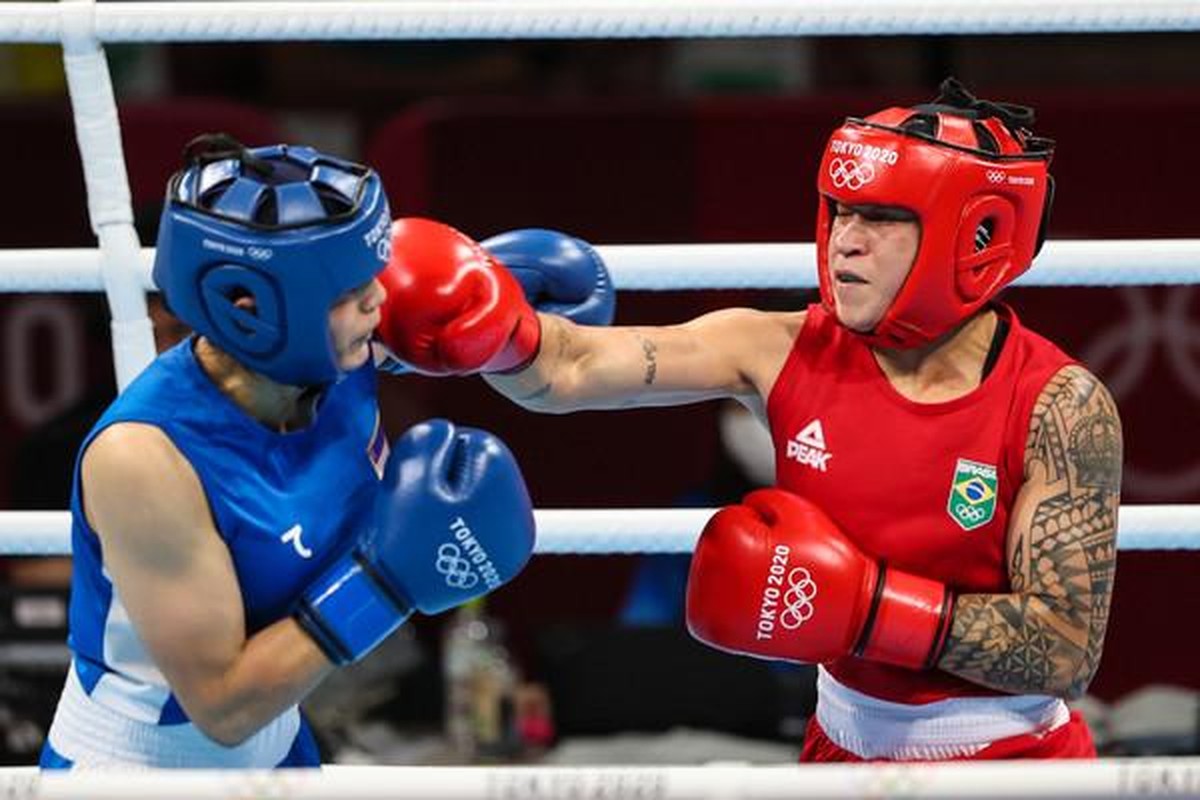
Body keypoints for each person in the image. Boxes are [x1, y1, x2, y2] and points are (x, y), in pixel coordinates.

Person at [375, 79, 1122, 761]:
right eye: (840, 210)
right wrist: (499, 331)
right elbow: (570, 369)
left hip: (1017, 762)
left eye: (881, 218)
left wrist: (867, 609)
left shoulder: (1058, 405)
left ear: (978, 237)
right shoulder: (779, 346)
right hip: (840, 749)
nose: (845, 239)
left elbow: (1066, 652)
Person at [38, 134, 538, 769]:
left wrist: (529, 324)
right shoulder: (143, 458)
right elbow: (223, 707)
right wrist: (387, 583)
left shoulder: (342, 345)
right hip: (143, 770)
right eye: (348, 288)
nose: (379, 299)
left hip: (281, 742)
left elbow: (559, 364)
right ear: (252, 309)